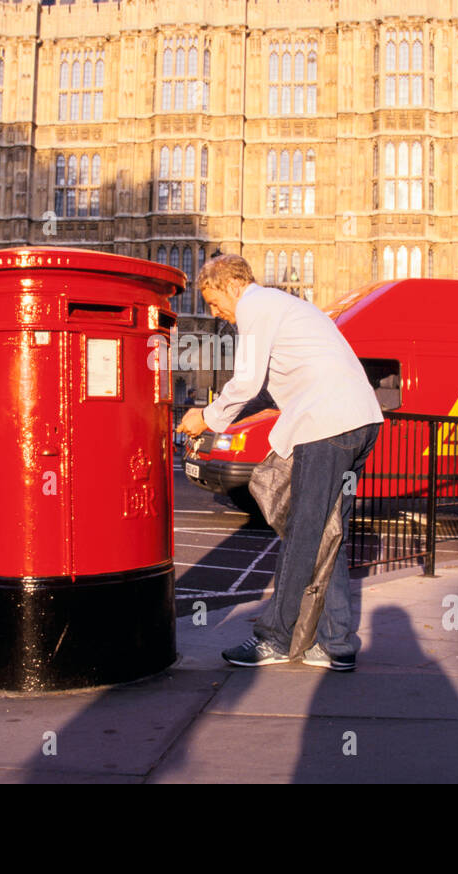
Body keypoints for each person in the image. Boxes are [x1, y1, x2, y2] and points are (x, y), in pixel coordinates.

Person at [175, 255, 383, 671]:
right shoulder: (286, 309)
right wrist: (220, 420)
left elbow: (248, 381)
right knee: (328, 533)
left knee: (304, 532)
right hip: (358, 423)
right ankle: (337, 643)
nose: (216, 313)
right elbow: (267, 391)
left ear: (232, 284)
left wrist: (207, 417)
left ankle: (274, 638)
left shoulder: (257, 307)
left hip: (327, 426)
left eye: (214, 302)